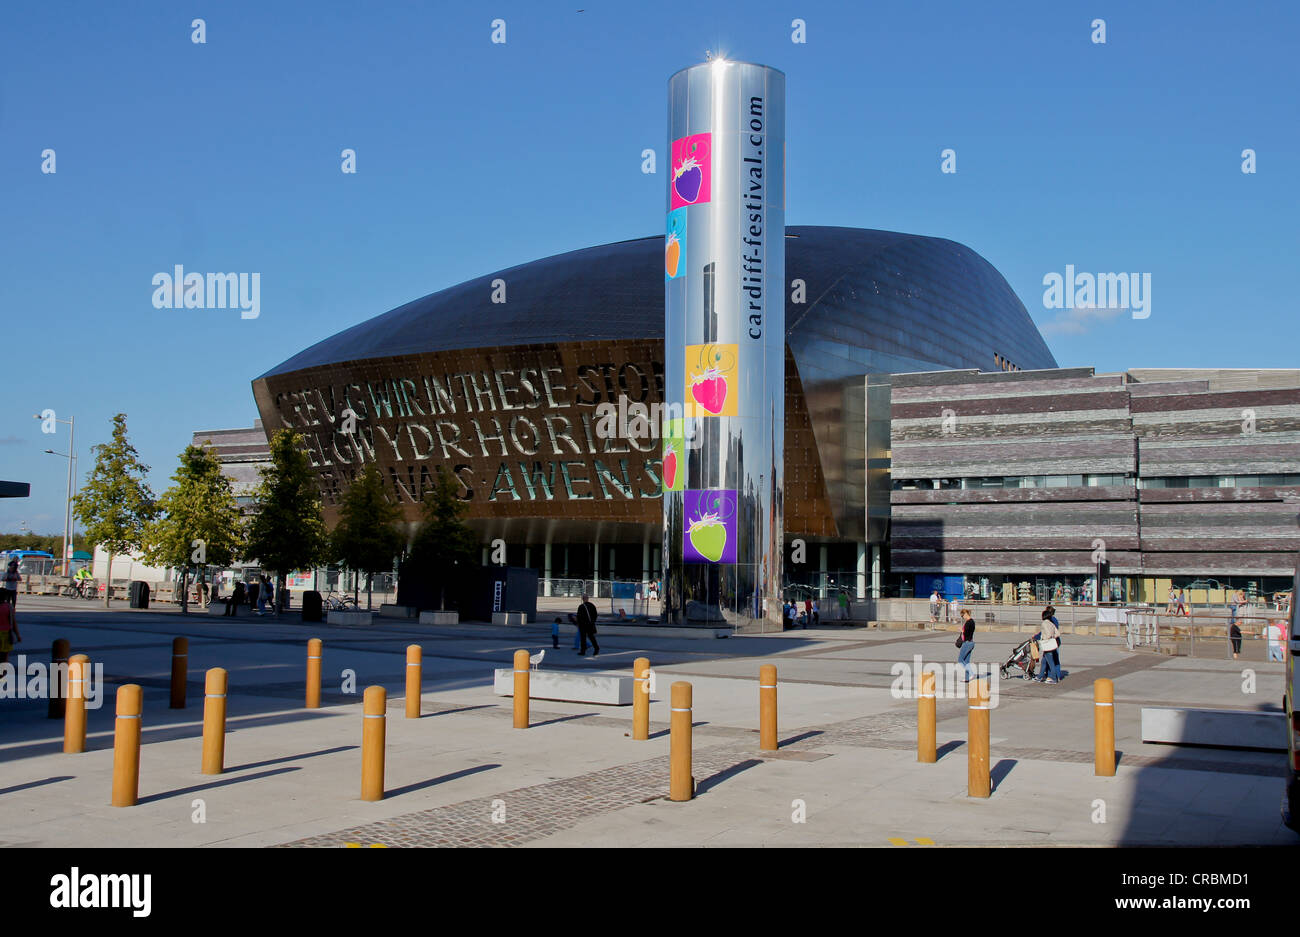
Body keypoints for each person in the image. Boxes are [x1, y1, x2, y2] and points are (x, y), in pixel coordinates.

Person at [1035, 607, 1062, 684]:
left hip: (1047, 645)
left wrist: (1044, 639)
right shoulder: (1051, 623)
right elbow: (1058, 633)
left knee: (1051, 662)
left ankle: (1053, 678)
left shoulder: (1044, 623)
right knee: (1044, 661)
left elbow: (1048, 634)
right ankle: (1040, 676)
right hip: (1053, 644)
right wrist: (1053, 637)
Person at [955, 608, 976, 680]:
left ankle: (971, 673)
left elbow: (967, 633)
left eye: (962, 616)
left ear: (965, 614)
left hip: (967, 643)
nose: (962, 617)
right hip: (971, 643)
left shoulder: (968, 622)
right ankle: (967, 678)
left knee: (960, 660)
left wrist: (962, 630)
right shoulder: (972, 621)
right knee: (966, 661)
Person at [0, 594, 20, 665]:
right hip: (7, 634)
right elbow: (13, 623)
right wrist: (18, 636)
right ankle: (2, 672)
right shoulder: (9, 607)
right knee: (5, 655)